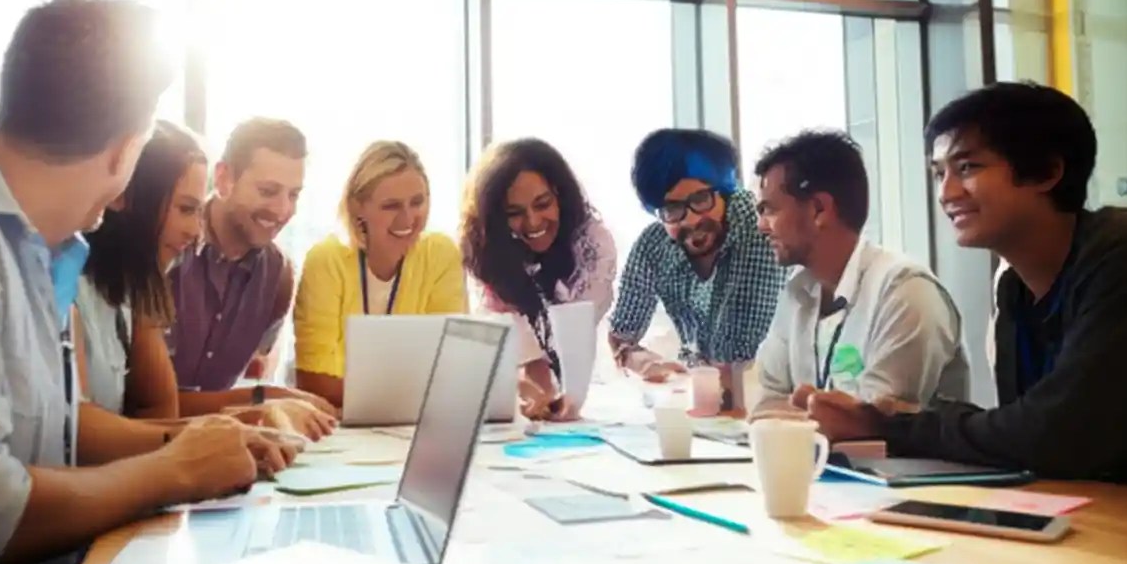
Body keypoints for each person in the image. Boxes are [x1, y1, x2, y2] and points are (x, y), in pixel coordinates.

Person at [0, 0, 292, 564]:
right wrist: (173, 470)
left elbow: (60, 434)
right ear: (126, 150)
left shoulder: (38, 245)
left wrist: (192, 445)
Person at [804, 82, 1127, 488]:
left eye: (967, 168)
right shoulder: (1014, 287)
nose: (946, 193)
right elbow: (1024, 433)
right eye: (939, 174)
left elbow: (1057, 434)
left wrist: (892, 425)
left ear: (1047, 171)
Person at [74, 121, 335, 463]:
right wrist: (248, 413)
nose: (195, 230)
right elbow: (78, 430)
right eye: (186, 209)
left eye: (294, 195)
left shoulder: (137, 287)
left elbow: (158, 412)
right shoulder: (75, 282)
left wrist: (243, 423)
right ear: (128, 197)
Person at [749, 130, 969, 414]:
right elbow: (766, 403)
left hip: (891, 460)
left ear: (819, 209)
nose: (761, 226)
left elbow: (872, 424)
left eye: (769, 210)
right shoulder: (798, 293)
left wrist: (793, 420)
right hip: (817, 458)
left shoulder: (905, 292)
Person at [609, 129, 785, 410]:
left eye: (701, 200)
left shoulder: (763, 227)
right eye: (672, 209)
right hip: (700, 403)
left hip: (770, 402)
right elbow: (622, 336)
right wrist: (642, 361)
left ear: (725, 190)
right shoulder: (654, 245)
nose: (691, 220)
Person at [295, 141, 467, 407]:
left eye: (417, 202)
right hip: (337, 426)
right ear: (357, 208)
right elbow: (313, 379)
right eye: (391, 206)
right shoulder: (327, 260)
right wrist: (413, 395)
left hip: (411, 422)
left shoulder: (441, 254)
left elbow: (451, 362)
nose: (408, 219)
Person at [461, 138, 617, 420]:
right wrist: (535, 389)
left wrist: (562, 397)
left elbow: (576, 328)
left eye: (542, 204)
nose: (532, 222)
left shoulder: (593, 244)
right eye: (514, 213)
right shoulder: (488, 253)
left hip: (593, 391)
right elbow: (524, 356)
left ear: (560, 195)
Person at [167, 117, 312, 410]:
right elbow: (139, 402)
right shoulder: (169, 246)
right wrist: (263, 399)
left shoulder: (278, 276)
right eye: (268, 191)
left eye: (293, 195)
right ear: (223, 179)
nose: (283, 210)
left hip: (221, 442)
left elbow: (253, 374)